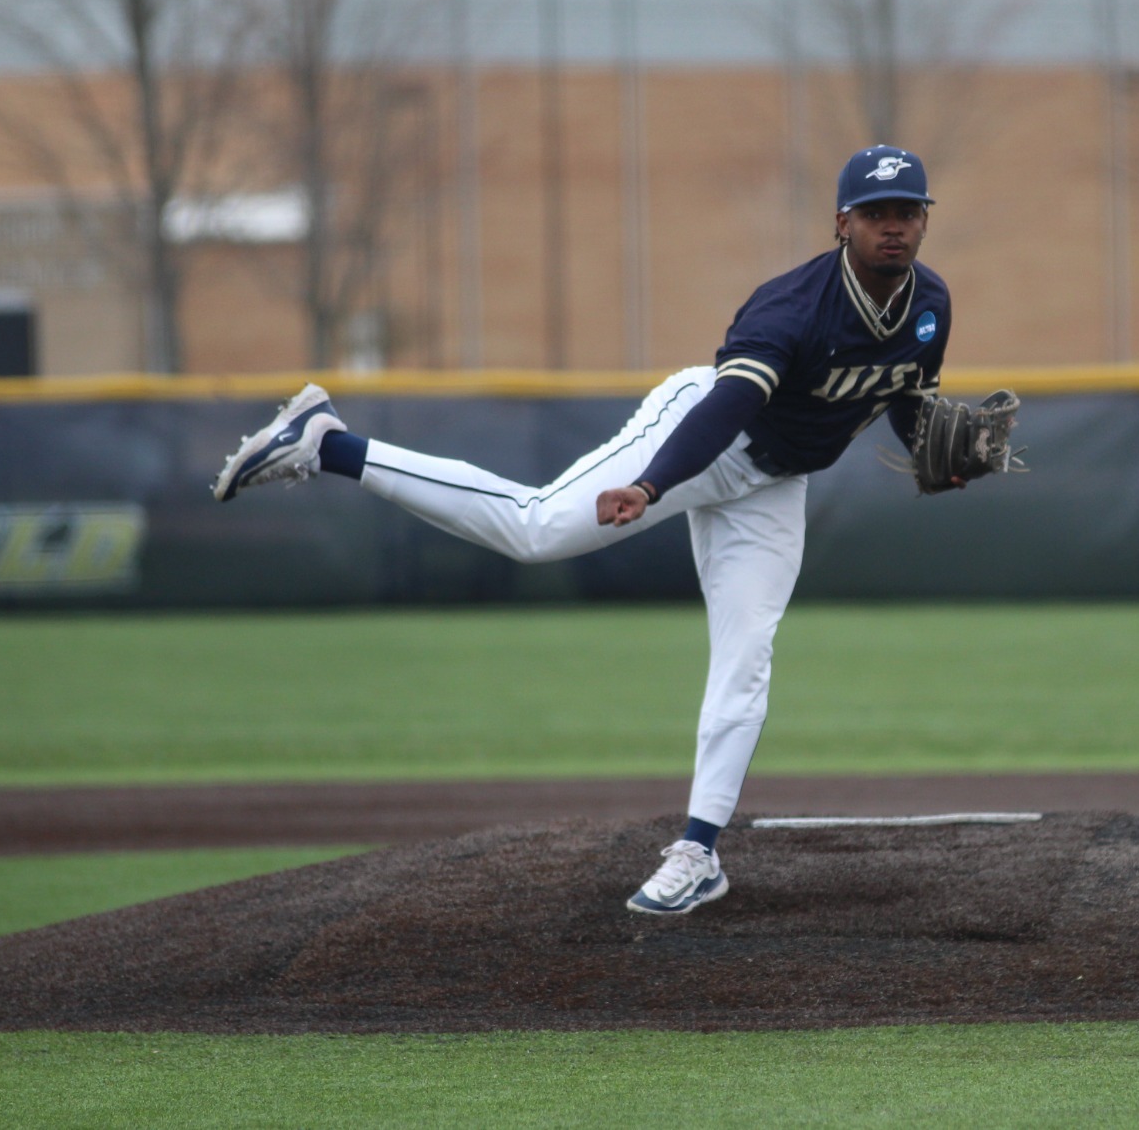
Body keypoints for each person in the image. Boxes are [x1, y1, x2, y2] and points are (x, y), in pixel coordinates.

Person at [214, 146, 958, 916]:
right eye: (876, 213)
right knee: (537, 528)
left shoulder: (930, 302)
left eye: (907, 211)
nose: (893, 227)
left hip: (775, 485)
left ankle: (697, 851)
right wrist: (650, 483)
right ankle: (328, 443)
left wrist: (936, 457)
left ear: (925, 220)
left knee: (747, 656)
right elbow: (725, 410)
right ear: (843, 222)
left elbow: (909, 397)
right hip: (700, 438)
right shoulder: (793, 307)